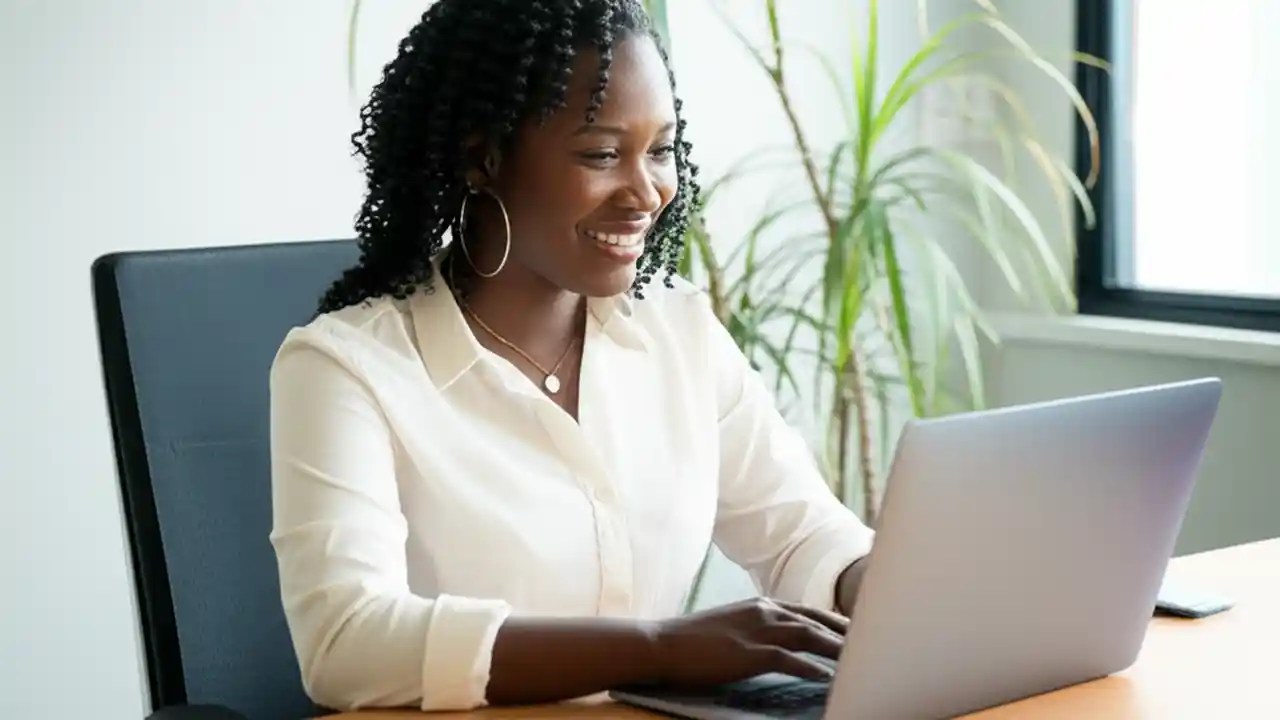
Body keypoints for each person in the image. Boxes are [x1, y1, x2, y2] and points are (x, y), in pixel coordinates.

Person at [269, 0, 874, 712]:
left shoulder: (676, 329)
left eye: (660, 149)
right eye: (601, 154)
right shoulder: (344, 370)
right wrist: (661, 649)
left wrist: (890, 587)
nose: (647, 192)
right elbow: (347, 642)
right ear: (481, 155)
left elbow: (800, 532)